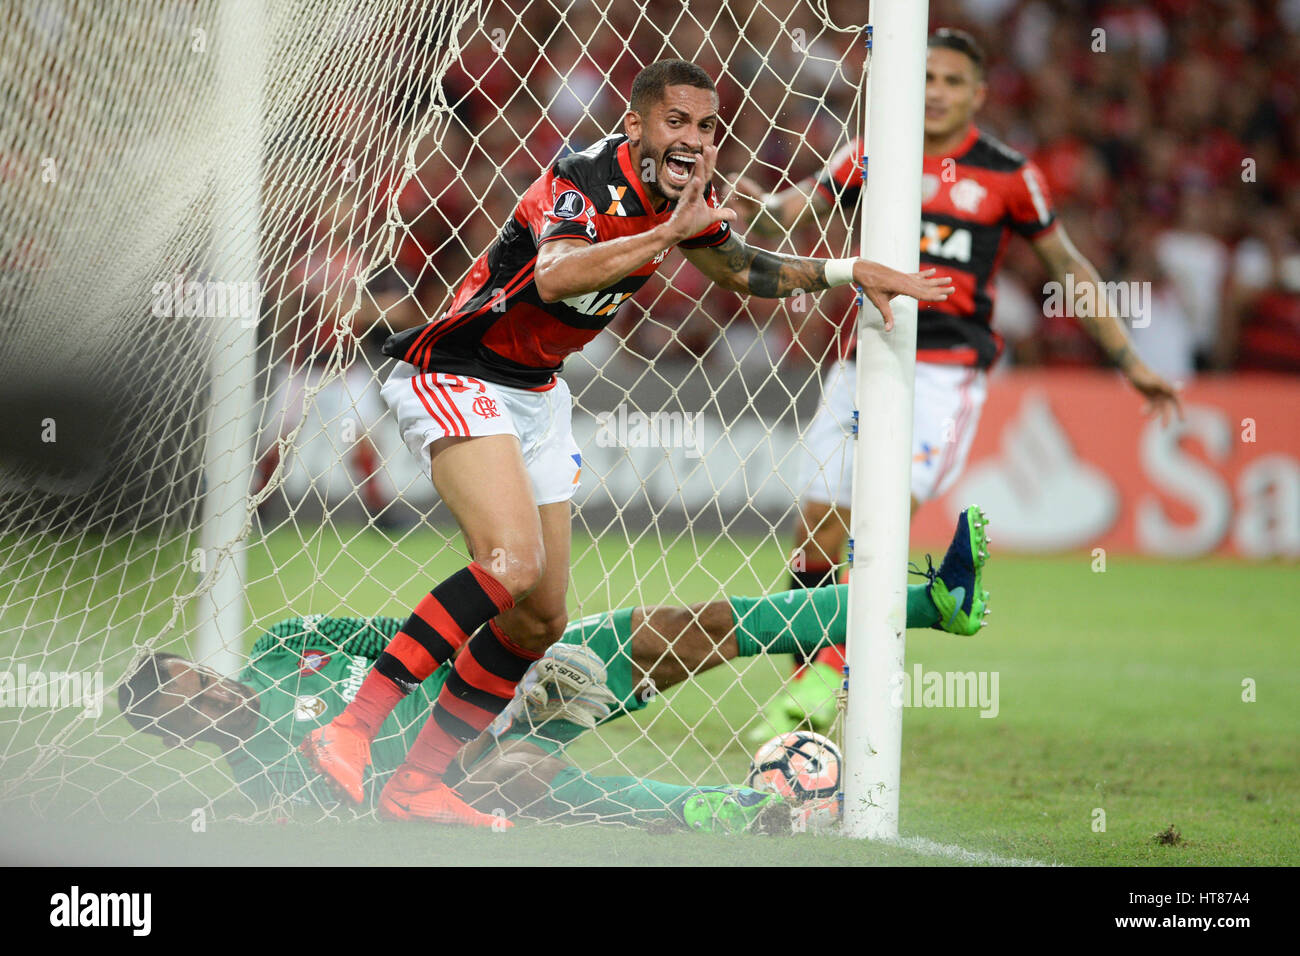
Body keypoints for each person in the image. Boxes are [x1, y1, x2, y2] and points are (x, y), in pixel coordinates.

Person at [298, 58, 954, 825]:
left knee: (538, 619)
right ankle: (349, 731)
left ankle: (417, 786)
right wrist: (667, 233)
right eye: (677, 123)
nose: (694, 140)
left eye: (708, 127)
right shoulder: (582, 176)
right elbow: (554, 277)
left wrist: (845, 270)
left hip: (538, 393)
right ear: (636, 123)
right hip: (457, 367)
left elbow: (738, 267)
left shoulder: (686, 200)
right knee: (509, 563)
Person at [730, 29, 1181, 733]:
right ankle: (812, 695)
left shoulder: (1006, 173)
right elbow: (794, 211)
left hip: (942, 374)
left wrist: (1130, 362)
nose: (935, 90)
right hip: (862, 357)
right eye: (926, 76)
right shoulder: (872, 157)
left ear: (977, 93)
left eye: (950, 80)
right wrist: (752, 208)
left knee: (876, 523)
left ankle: (822, 684)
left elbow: (1069, 269)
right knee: (817, 536)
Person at [118, 508, 989, 831]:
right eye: (190, 705)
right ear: (179, 736)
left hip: (497, 680)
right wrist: (458, 759)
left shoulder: (277, 648)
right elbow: (381, 808)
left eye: (193, 675)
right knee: (517, 776)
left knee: (688, 628)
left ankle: (932, 605)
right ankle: (744, 817)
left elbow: (401, 630)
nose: (209, 689)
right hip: (462, 758)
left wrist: (502, 664)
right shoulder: (269, 777)